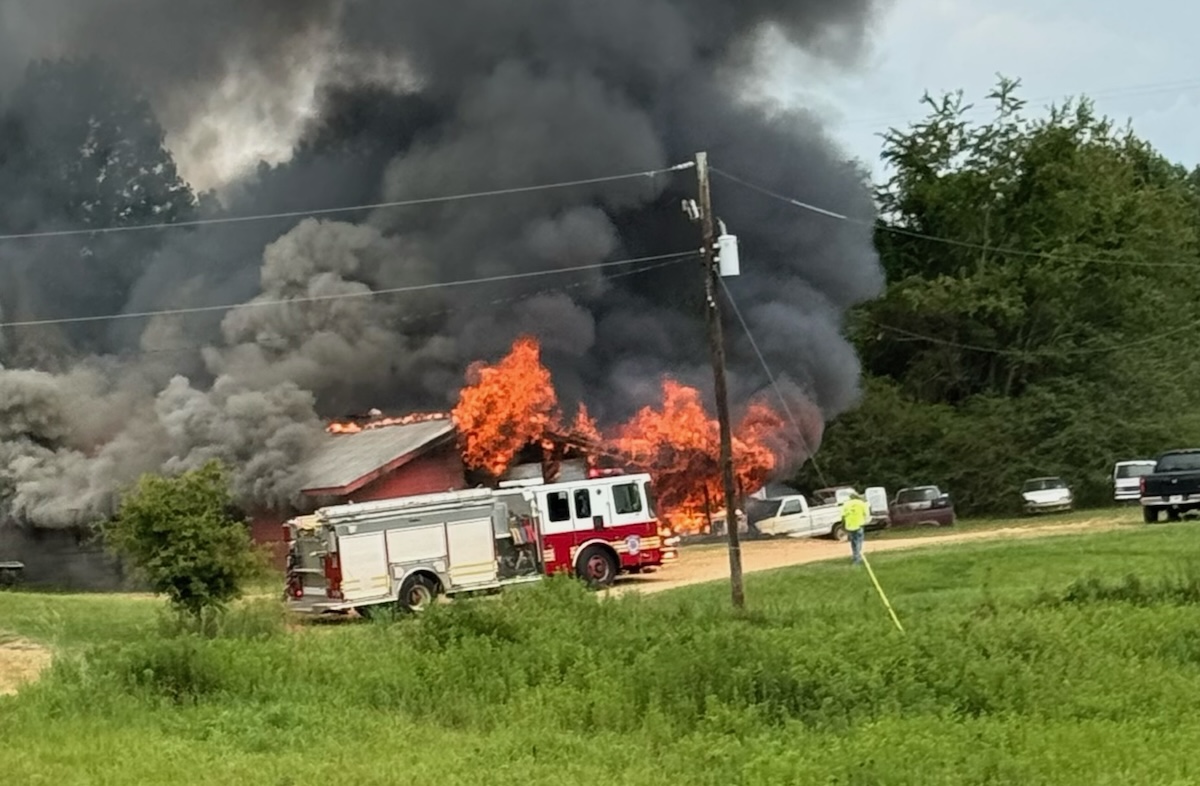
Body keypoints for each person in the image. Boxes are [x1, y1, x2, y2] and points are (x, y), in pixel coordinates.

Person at [842, 491, 869, 564]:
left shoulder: (846, 504)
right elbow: (866, 514)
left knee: (853, 542)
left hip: (850, 526)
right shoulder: (862, 503)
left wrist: (843, 526)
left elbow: (843, 516)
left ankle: (855, 556)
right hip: (859, 525)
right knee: (859, 542)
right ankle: (857, 558)